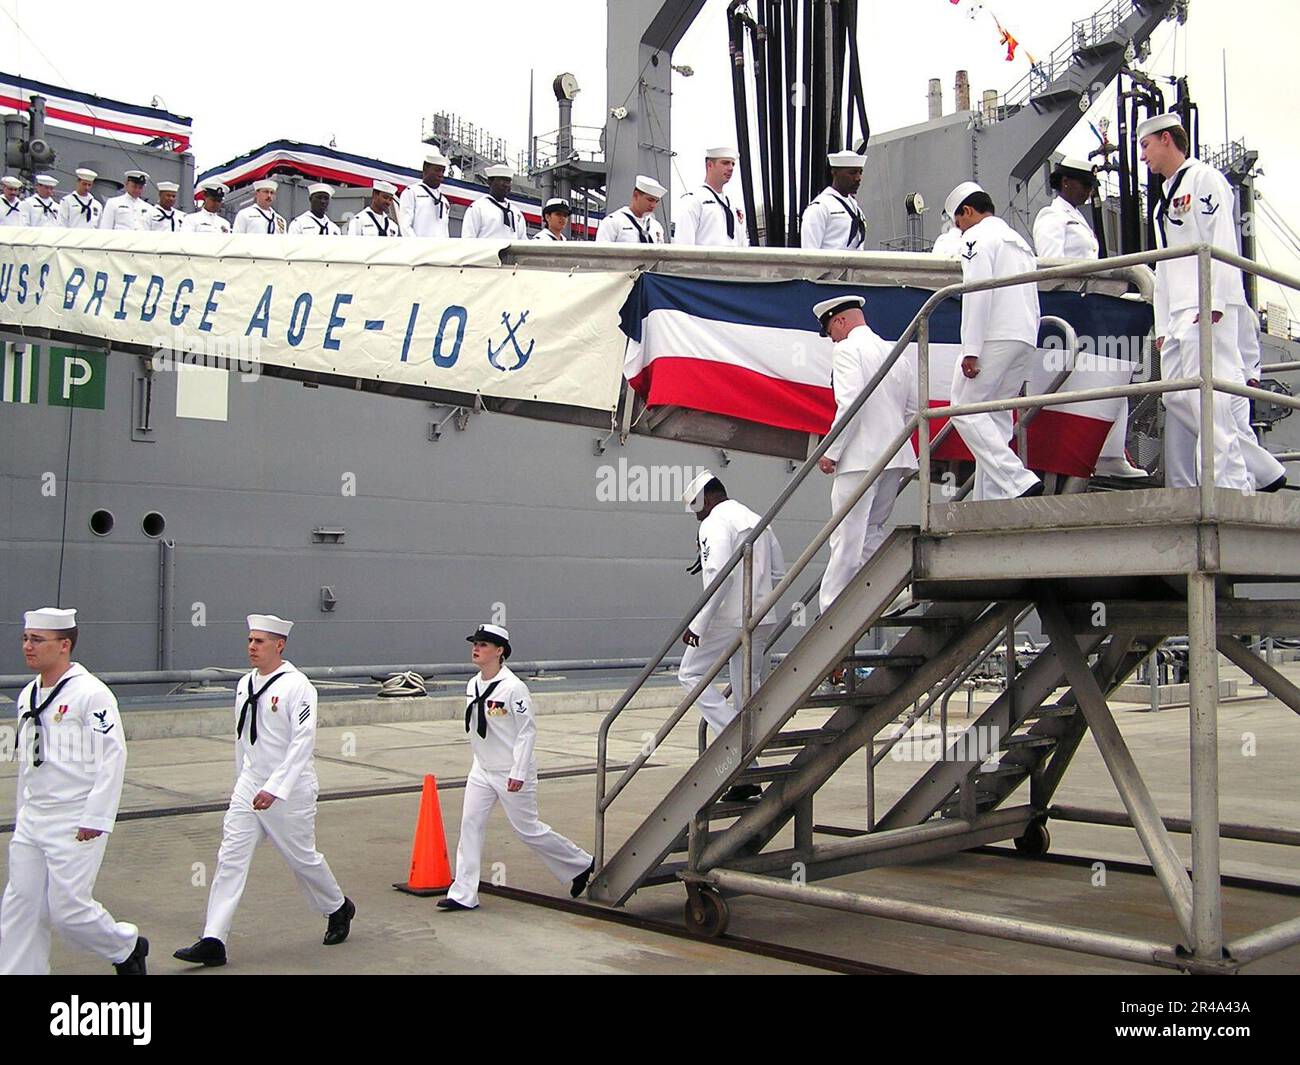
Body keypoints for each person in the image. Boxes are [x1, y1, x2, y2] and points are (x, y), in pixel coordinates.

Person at [174, 615, 353, 966]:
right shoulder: (245, 684)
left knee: (301, 858)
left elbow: (302, 743)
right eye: (250, 641)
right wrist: (243, 781)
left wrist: (275, 789)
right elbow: (242, 738)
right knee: (230, 858)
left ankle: (337, 906)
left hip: (290, 790)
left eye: (260, 642)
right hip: (250, 786)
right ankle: (213, 938)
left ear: (279, 645)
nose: (252, 647)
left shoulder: (298, 686)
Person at [1140, 112, 1285, 492]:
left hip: (1208, 306)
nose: (1143, 155)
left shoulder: (1205, 180)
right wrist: (1163, 324)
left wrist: (1216, 300)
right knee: (1176, 397)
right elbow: (1167, 264)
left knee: (1214, 401)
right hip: (1178, 315)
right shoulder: (1163, 201)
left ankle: (1230, 485)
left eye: (1146, 145)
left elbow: (1220, 239)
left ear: (1167, 140)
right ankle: (1264, 469)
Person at [0, 607, 148, 975]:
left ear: (64, 645)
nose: (27, 647)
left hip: (75, 817)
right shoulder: (28, 695)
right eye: (25, 638)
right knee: (21, 906)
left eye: (37, 640)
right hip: (34, 818)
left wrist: (96, 817)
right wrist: (23, 815)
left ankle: (125, 946)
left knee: (67, 911)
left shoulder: (90, 694)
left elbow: (113, 755)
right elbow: (29, 763)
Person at [437, 625, 594, 911]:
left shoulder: (514, 688)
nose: (476, 649)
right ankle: (462, 894)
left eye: (484, 645)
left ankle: (581, 863)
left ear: (500, 651)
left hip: (510, 771)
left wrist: (518, 771)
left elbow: (526, 731)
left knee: (527, 830)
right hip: (482, 769)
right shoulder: (473, 685)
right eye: (475, 643)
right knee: (470, 826)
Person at [1033, 158, 1145, 479]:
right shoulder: (1052, 216)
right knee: (1070, 386)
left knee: (1113, 377)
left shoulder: (1077, 218)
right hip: (1068, 310)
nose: (1088, 192)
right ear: (1066, 183)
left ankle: (1109, 455)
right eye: (1085, 185)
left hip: (1088, 308)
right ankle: (1068, 457)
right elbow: (1051, 267)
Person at [678, 472, 785, 801]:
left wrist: (698, 623)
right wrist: (764, 606)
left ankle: (734, 740)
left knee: (690, 674)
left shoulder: (713, 521)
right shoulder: (758, 519)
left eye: (697, 509)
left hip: (729, 618)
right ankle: (746, 776)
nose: (697, 516)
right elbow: (780, 571)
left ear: (708, 499)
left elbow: (717, 574)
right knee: (746, 696)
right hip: (762, 616)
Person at [813, 296, 917, 614]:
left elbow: (850, 404)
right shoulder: (896, 352)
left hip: (860, 457)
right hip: (895, 455)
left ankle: (831, 609)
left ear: (840, 321)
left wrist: (831, 451)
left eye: (830, 330)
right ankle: (893, 592)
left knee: (846, 533)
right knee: (872, 530)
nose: (832, 338)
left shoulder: (846, 350)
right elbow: (913, 409)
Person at [943, 180, 1043, 500]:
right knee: (996, 418)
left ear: (968, 212)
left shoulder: (976, 238)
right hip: (1025, 336)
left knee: (963, 407)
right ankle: (989, 499)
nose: (959, 231)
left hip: (995, 335)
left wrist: (971, 350)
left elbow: (978, 292)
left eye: (959, 223)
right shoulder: (1018, 241)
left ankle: (1017, 480)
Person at [674, 147, 748, 247]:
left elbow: (743, 245)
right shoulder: (693, 201)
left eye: (733, 164)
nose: (731, 168)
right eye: (725, 163)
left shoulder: (734, 206)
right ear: (709, 165)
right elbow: (683, 247)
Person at [801, 151, 868, 250]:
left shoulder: (856, 208)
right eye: (852, 173)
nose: (858, 178)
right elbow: (810, 251)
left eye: (860, 172)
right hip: (831, 265)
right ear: (835, 173)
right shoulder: (820, 207)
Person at [460, 165, 527, 240]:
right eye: (502, 180)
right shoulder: (478, 208)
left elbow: (523, 241)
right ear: (490, 182)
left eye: (508, 181)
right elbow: (468, 238)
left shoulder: (516, 212)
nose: (506, 185)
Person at [595, 175, 667, 243]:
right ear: (636, 195)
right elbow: (601, 253)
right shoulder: (613, 222)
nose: (653, 205)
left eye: (656, 201)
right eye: (650, 200)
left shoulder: (656, 226)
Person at [398, 152, 452, 239]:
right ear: (425, 168)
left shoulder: (444, 200)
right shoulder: (412, 192)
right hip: (420, 250)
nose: (441, 175)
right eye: (437, 170)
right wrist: (419, 248)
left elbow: (444, 231)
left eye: (443, 171)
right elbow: (405, 227)